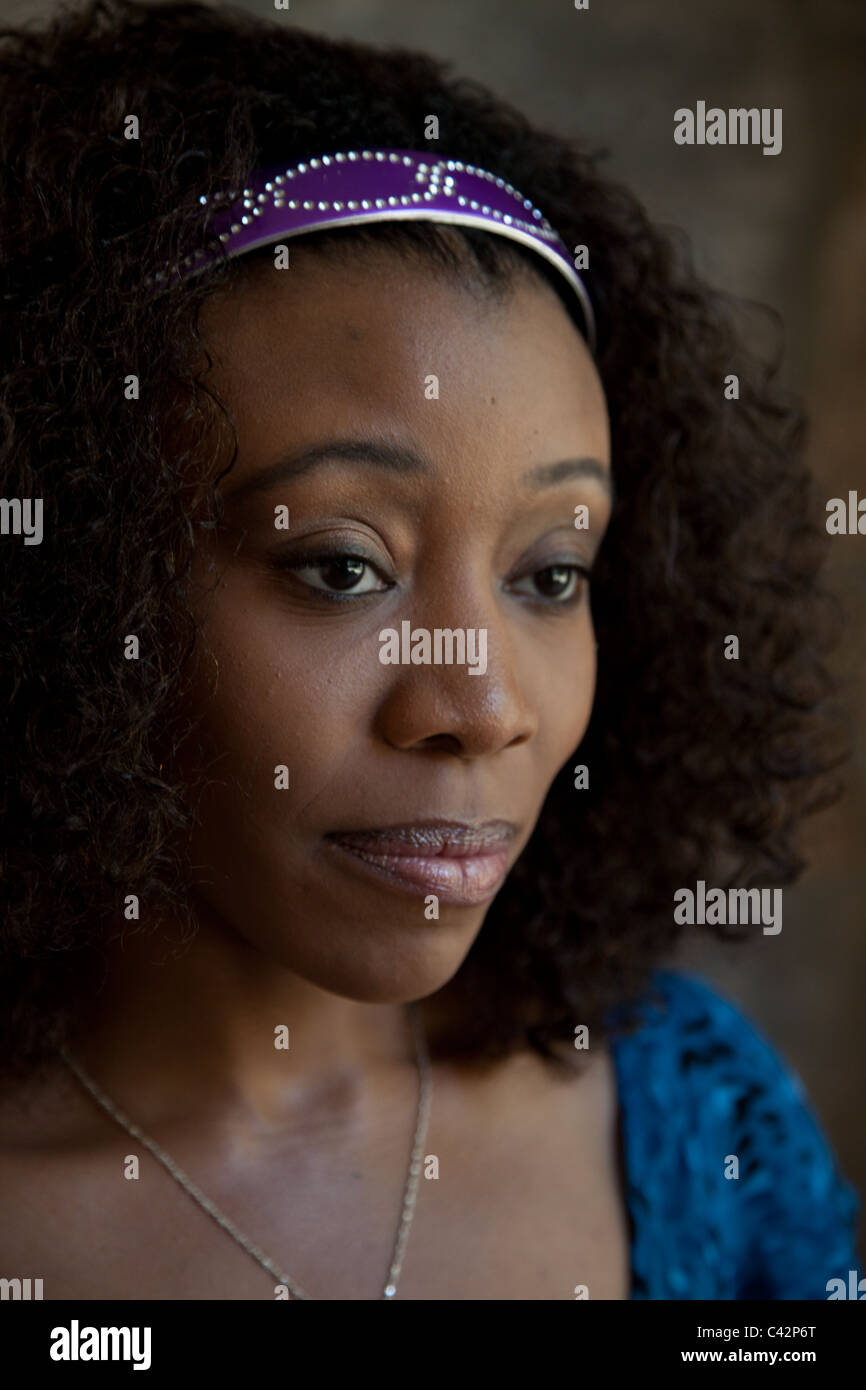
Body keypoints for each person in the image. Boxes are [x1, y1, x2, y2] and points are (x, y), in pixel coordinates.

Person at [0, 0, 859, 1300]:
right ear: (69, 580)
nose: (485, 701)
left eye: (550, 573)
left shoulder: (693, 1124)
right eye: (342, 566)